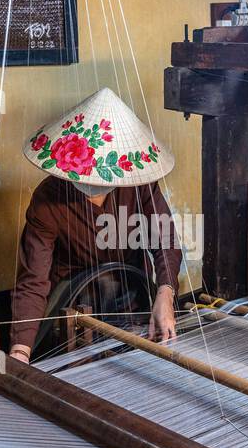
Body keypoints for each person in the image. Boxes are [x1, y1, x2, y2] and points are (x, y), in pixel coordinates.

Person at [10, 88, 182, 363]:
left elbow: (165, 241)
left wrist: (165, 294)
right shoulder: (47, 200)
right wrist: (20, 350)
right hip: (73, 309)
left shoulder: (140, 185)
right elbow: (34, 279)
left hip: (131, 298)